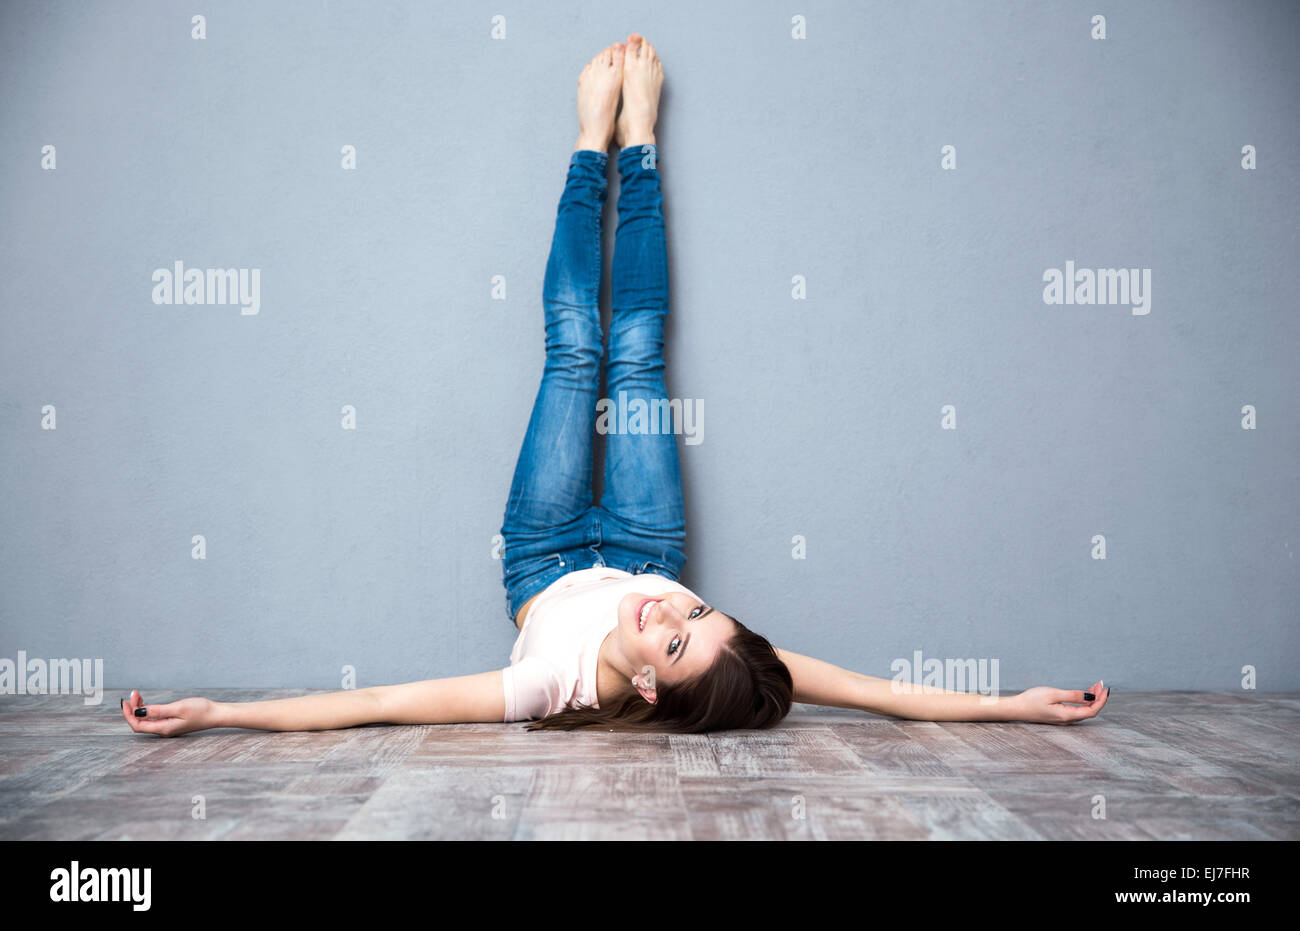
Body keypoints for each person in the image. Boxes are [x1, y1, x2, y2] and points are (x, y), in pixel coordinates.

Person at [120, 35, 1109, 738]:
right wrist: (1008, 704)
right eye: (699, 615)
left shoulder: (546, 684)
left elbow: (372, 702)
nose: (668, 616)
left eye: (675, 641)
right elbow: (880, 692)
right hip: (644, 537)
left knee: (571, 349)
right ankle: (636, 145)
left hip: (542, 555)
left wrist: (220, 710)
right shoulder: (726, 654)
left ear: (648, 687)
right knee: (635, 348)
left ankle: (583, 147)